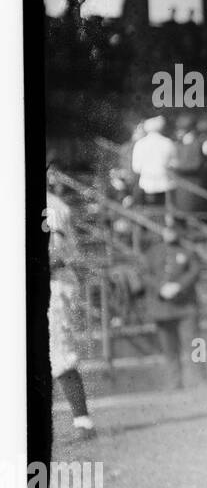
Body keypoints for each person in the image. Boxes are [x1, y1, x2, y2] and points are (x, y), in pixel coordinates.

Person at [46, 189, 97, 440]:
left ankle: (83, 422)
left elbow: (54, 253)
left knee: (59, 352)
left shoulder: (50, 205)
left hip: (54, 283)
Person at [141, 226, 205, 389]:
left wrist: (179, 286)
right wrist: (160, 287)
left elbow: (195, 271)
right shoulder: (153, 252)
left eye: (173, 229)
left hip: (186, 307)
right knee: (169, 349)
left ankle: (200, 379)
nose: (170, 233)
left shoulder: (188, 251)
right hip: (162, 308)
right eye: (166, 229)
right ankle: (174, 382)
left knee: (196, 344)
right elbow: (144, 274)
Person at [131, 116, 176, 208]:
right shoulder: (168, 143)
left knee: (149, 212)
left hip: (146, 184)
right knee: (162, 212)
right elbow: (174, 164)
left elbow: (136, 168)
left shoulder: (140, 144)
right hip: (164, 184)